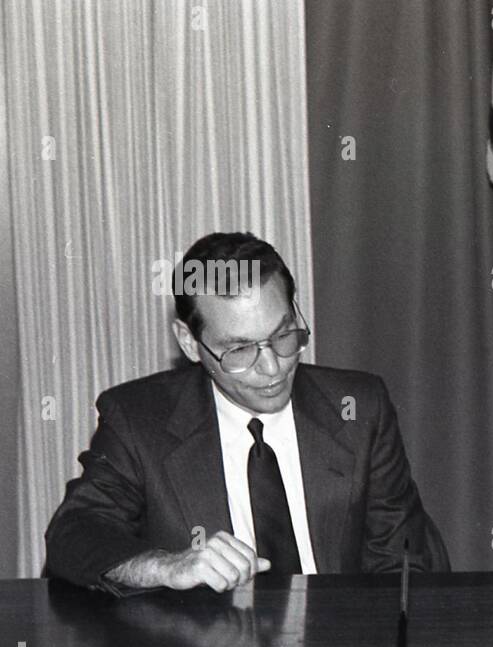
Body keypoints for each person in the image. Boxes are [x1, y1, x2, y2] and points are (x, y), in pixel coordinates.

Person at [46, 232, 448, 594]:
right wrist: (165, 566)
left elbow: (400, 561)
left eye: (283, 335)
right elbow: (74, 534)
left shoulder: (360, 408)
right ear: (189, 343)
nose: (272, 368)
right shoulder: (138, 421)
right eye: (239, 350)